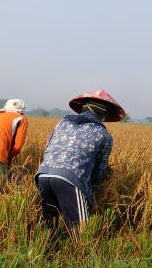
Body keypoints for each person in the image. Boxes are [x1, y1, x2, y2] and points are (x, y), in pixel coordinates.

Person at [34, 89, 125, 237]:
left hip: (43, 175)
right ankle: (79, 257)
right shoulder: (103, 134)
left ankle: (46, 254)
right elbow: (99, 173)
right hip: (70, 180)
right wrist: (98, 184)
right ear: (103, 114)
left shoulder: (62, 123)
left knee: (49, 226)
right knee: (82, 231)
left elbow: (48, 149)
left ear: (83, 108)